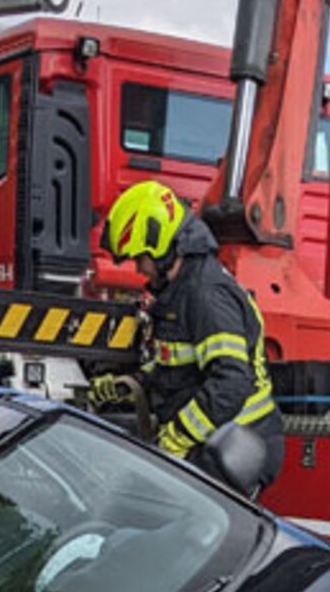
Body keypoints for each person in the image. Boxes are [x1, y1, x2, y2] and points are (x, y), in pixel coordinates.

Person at [100, 181, 283, 495]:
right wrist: (128, 387)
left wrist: (177, 437)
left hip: (236, 444)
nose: (139, 269)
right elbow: (178, 369)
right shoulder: (183, 290)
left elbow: (230, 383)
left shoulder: (205, 295)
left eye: (138, 258)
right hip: (220, 436)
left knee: (146, 508)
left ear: (158, 246)